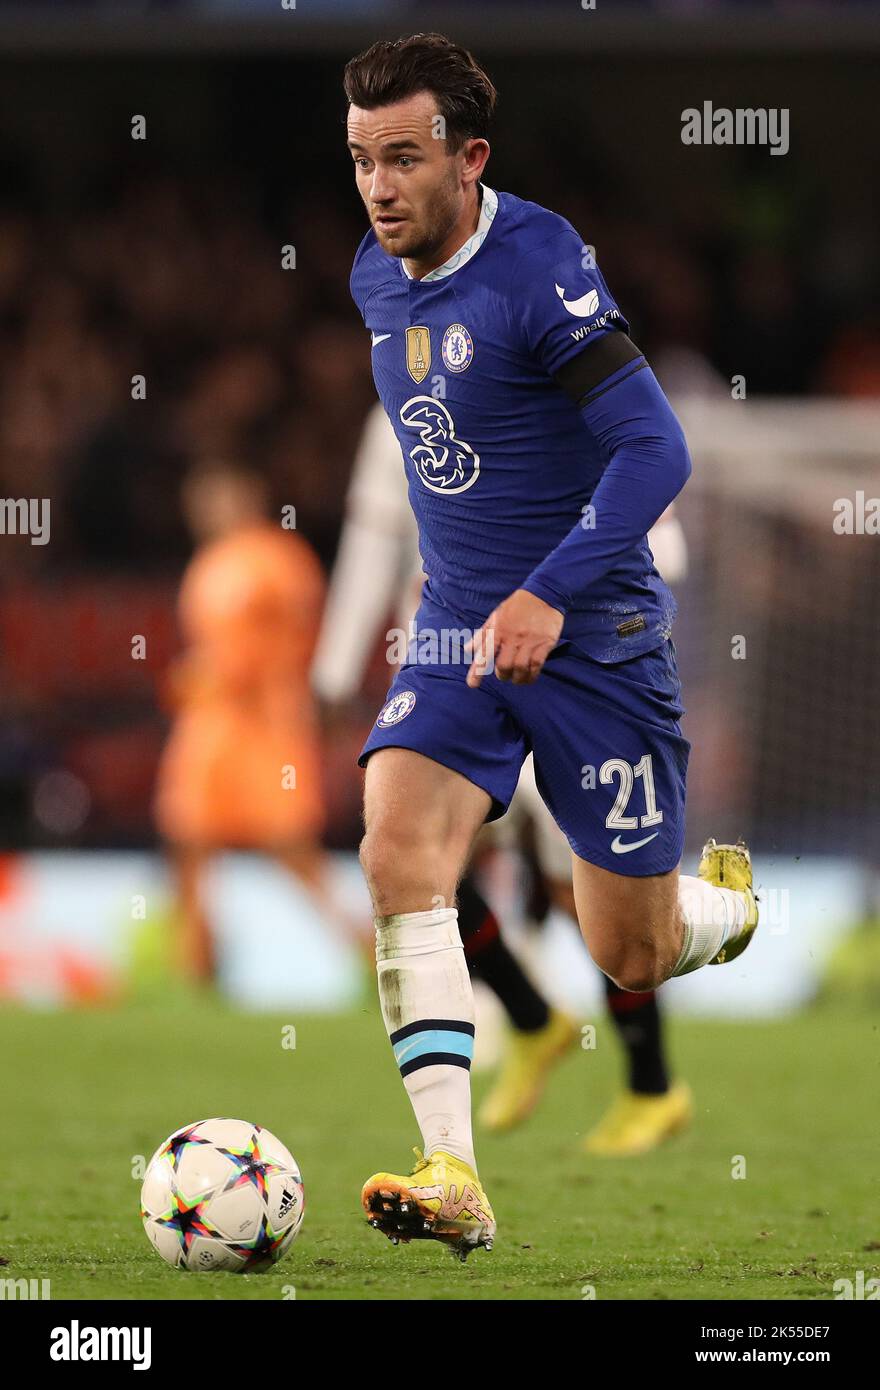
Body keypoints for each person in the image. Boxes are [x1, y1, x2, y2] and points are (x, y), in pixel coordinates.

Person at [344, 34, 758, 1260]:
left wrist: (546, 591)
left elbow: (657, 451)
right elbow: (447, 443)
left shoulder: (539, 264)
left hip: (598, 639)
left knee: (619, 944)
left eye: (404, 158)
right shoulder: (375, 273)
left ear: (470, 159)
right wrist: (459, 575)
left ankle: (722, 908)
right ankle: (454, 1172)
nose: (378, 187)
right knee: (394, 847)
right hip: (457, 630)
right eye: (362, 159)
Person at [313, 400, 693, 1147]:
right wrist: (332, 669)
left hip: (563, 671)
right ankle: (528, 1024)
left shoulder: (576, 398)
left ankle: (649, 1082)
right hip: (453, 666)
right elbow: (369, 543)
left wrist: (552, 581)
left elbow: (665, 546)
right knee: (420, 862)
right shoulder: (399, 402)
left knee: (583, 885)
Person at [154, 461, 342, 983]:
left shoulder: (277, 558)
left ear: (248, 497)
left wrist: (231, 671)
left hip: (266, 723)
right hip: (211, 726)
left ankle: (367, 953)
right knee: (188, 842)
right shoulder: (210, 562)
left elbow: (291, 633)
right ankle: (194, 969)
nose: (208, 511)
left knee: (292, 849)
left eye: (218, 498)